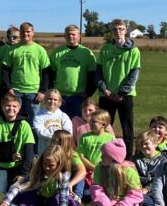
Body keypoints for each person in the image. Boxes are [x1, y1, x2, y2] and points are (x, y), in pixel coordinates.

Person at [2, 145, 78, 206]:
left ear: (59, 164)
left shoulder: (63, 176)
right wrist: (6, 201)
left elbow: (63, 199)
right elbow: (18, 186)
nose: (47, 167)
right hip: (38, 199)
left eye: (51, 165)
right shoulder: (39, 171)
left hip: (54, 200)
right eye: (45, 164)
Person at [96, 19, 141, 155]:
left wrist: (121, 92)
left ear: (125, 31)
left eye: (121, 29)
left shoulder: (133, 51)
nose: (118, 32)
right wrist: (104, 89)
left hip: (125, 97)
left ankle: (127, 158)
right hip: (106, 95)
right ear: (111, 32)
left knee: (127, 129)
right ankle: (103, 155)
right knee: (102, 127)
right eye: (115, 29)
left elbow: (134, 74)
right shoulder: (105, 49)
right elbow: (98, 72)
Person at [2, 22, 51, 126]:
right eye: (23, 32)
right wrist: (8, 88)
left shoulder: (39, 50)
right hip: (15, 92)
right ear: (20, 33)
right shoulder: (12, 49)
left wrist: (43, 91)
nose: (25, 34)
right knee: (14, 121)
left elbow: (46, 71)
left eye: (28, 31)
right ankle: (15, 142)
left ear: (33, 32)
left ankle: (32, 143)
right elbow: (5, 70)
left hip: (33, 92)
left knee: (33, 123)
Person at [91, 139, 144, 206]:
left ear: (113, 158)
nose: (101, 157)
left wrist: (123, 205)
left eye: (104, 155)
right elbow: (97, 190)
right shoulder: (99, 168)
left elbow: (135, 194)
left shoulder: (129, 172)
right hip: (106, 203)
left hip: (126, 204)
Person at [48, 24, 96, 118]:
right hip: (59, 96)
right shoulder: (57, 52)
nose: (71, 36)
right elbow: (50, 73)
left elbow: (93, 75)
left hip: (78, 97)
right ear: (64, 36)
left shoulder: (86, 52)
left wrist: (87, 93)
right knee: (58, 125)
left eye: (73, 34)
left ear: (79, 36)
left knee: (76, 124)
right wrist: (51, 90)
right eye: (68, 34)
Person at [0, 94, 36, 193]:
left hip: (18, 166)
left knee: (19, 191)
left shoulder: (24, 126)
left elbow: (29, 151)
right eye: (7, 105)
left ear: (19, 108)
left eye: (14, 106)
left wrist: (23, 174)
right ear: (2, 107)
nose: (11, 108)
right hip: (1, 165)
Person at [76, 109, 115, 193]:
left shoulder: (110, 138)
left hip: (105, 169)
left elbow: (113, 157)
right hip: (88, 169)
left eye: (93, 122)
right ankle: (77, 196)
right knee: (81, 177)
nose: (90, 123)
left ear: (103, 124)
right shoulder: (84, 137)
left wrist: (99, 169)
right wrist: (94, 168)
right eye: (90, 121)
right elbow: (80, 156)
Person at [33, 89, 72, 153]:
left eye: (55, 99)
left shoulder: (63, 116)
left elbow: (68, 133)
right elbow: (40, 132)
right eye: (50, 99)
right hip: (44, 150)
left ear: (59, 101)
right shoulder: (39, 116)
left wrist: (54, 135)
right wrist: (57, 135)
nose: (52, 101)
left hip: (60, 150)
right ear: (45, 99)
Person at [133, 130, 166, 198]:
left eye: (146, 143)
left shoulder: (163, 161)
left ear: (155, 143)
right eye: (141, 144)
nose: (144, 146)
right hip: (137, 189)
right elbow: (132, 176)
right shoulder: (135, 159)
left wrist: (147, 188)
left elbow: (160, 180)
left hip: (155, 192)